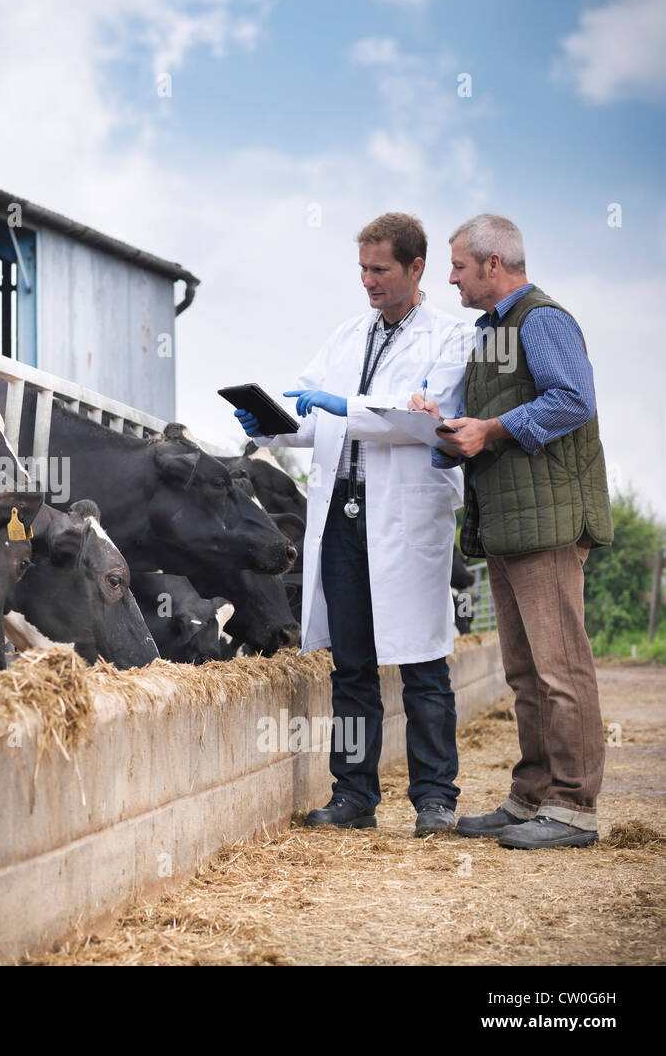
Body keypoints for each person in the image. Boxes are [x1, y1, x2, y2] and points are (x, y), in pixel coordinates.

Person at [236, 212, 474, 836]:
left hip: (405, 517)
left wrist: (351, 406)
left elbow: (424, 422)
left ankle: (434, 799)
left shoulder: (452, 339)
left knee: (423, 660)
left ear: (416, 268)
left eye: (380, 269)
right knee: (352, 662)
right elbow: (315, 415)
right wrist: (277, 426)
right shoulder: (347, 335)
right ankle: (354, 796)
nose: (368, 281)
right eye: (362, 269)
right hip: (342, 514)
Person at [411, 214, 612, 849]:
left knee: (561, 669)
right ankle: (531, 797)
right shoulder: (490, 333)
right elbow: (494, 422)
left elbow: (573, 399)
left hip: (549, 524)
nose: (450, 279)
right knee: (525, 673)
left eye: (459, 267)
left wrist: (490, 430)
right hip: (508, 523)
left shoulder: (543, 321)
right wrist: (448, 430)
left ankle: (574, 806)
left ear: (493, 265)